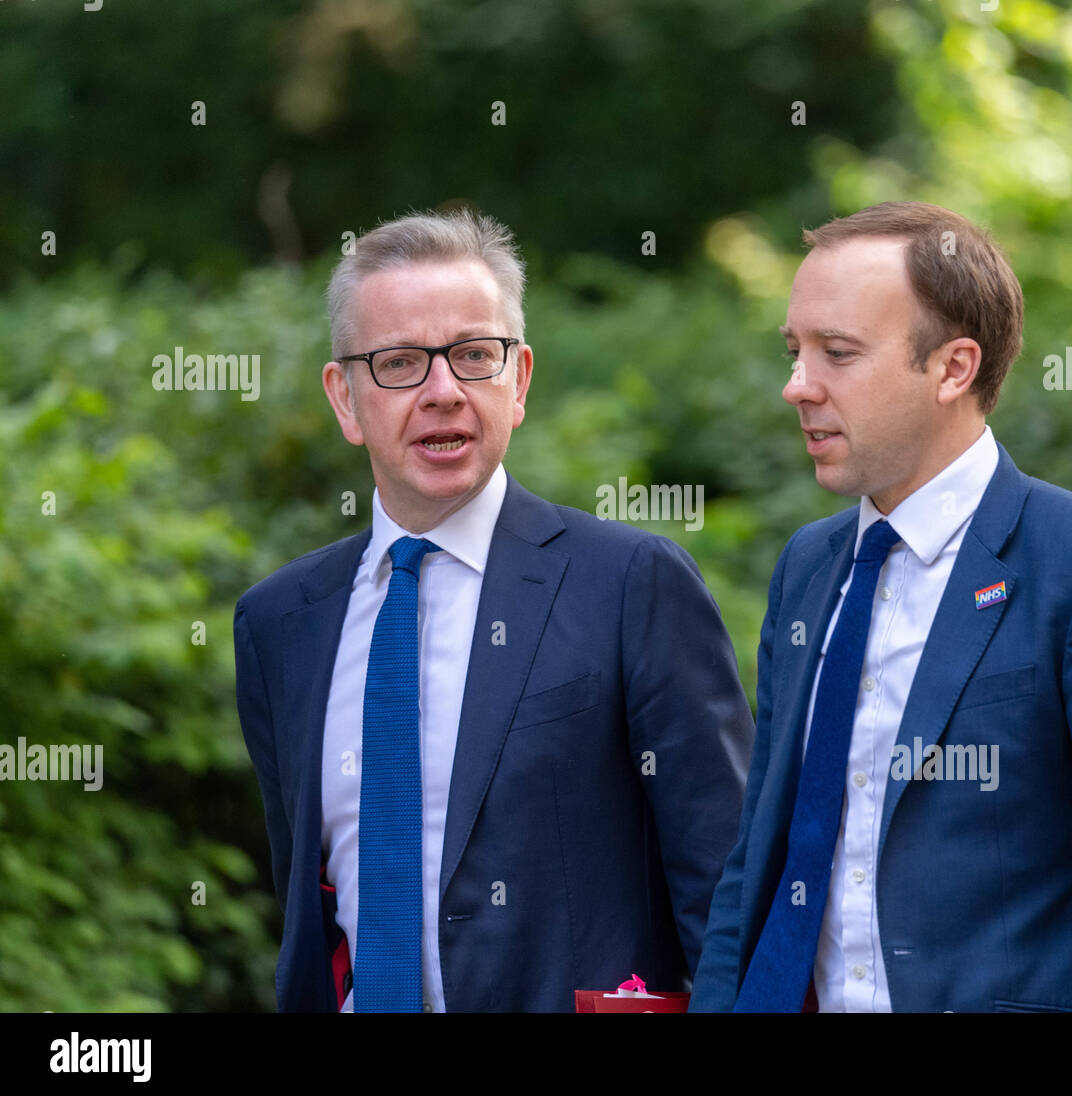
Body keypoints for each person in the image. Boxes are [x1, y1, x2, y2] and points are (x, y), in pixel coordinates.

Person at [689, 201, 1072, 1013]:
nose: (796, 386)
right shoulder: (808, 569)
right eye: (794, 351)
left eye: (837, 354)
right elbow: (758, 866)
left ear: (953, 368)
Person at [234, 208, 753, 1012]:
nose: (443, 392)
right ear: (345, 398)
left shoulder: (631, 584)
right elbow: (311, 907)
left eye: (474, 356)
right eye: (401, 363)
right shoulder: (280, 623)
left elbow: (727, 901)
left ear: (519, 381)